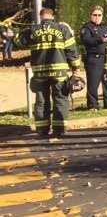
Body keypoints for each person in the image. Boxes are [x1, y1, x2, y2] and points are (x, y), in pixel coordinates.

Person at [17, 8, 81, 138]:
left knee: (41, 101)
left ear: (41, 17)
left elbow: (18, 41)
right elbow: (71, 50)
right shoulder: (62, 29)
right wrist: (76, 68)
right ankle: (59, 129)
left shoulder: (33, 30)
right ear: (52, 16)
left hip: (40, 73)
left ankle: (42, 129)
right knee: (60, 98)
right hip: (59, 73)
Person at [79, 5, 107, 110]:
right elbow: (86, 40)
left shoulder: (106, 27)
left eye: (99, 15)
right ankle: (93, 105)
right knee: (93, 83)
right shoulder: (86, 27)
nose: (97, 17)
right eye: (95, 15)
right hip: (93, 58)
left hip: (106, 58)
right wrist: (100, 40)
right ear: (90, 15)